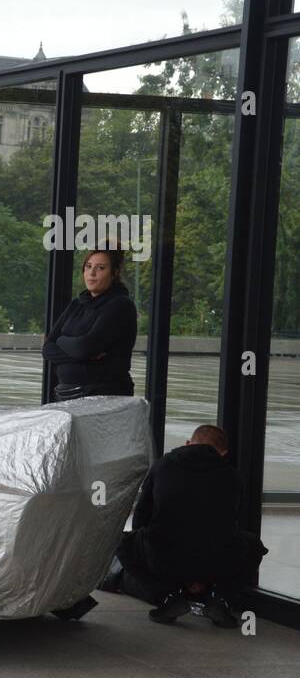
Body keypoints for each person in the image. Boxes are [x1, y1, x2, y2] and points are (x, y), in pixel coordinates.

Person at [103, 424, 269, 626]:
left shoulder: (162, 466)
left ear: (188, 443)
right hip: (213, 560)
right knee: (254, 546)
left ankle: (167, 597)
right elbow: (231, 522)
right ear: (224, 453)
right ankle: (221, 598)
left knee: (123, 543)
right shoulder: (232, 476)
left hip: (164, 558)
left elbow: (140, 518)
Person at [42, 245, 138, 400]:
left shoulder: (120, 305)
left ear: (114, 273)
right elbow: (47, 348)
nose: (92, 273)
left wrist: (61, 341)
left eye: (100, 268)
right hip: (67, 394)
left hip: (104, 396)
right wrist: (83, 355)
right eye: (88, 267)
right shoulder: (77, 304)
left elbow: (85, 347)